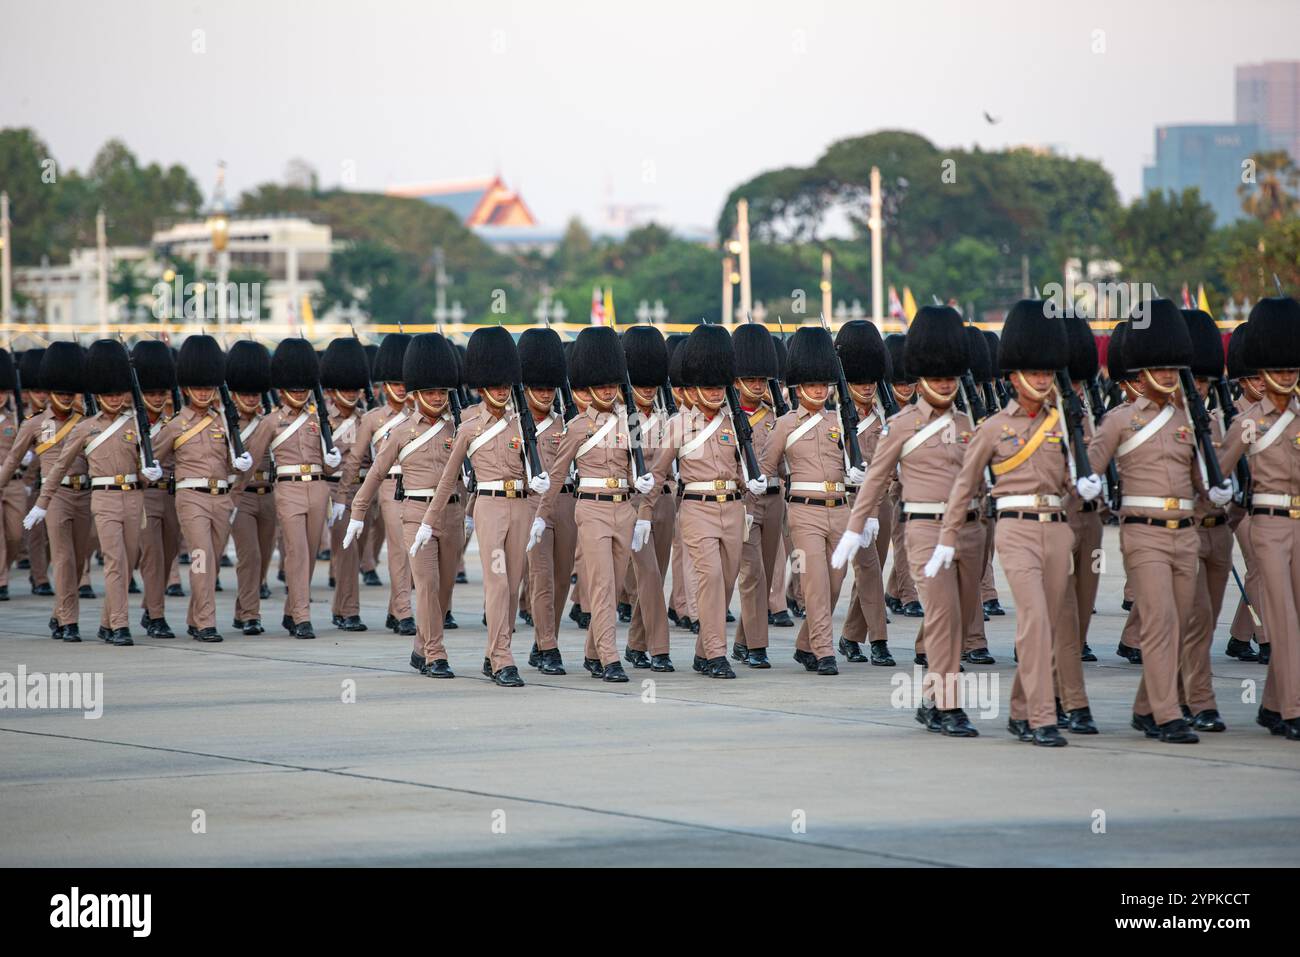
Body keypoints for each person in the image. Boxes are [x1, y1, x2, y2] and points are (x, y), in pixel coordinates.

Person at [1082, 299, 1232, 744]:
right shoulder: (1120, 420)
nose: (1168, 375)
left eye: (1174, 368)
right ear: (1142, 369)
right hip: (1142, 532)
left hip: (1186, 531)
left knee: (1186, 618)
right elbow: (1089, 468)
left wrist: (1218, 489)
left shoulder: (1192, 421)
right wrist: (1089, 485)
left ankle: (1147, 707)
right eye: (1159, 367)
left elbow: (1199, 478)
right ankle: (1168, 714)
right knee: (1162, 620)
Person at [930, 300, 1076, 745]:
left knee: (1048, 622)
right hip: (1014, 526)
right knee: (1032, 617)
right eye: (1033, 373)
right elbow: (964, 485)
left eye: (1047, 373)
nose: (1042, 380)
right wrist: (947, 537)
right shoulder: (992, 428)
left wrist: (1090, 489)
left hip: (1058, 528)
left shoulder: (1066, 424)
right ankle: (1040, 715)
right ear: (1013, 377)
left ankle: (1018, 709)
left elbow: (1073, 481)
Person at [833, 306, 983, 736]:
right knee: (941, 616)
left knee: (961, 619)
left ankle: (934, 702)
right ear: (920, 376)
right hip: (923, 529)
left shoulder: (970, 424)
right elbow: (874, 480)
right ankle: (950, 706)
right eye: (937, 377)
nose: (944, 384)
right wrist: (853, 529)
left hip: (968, 530)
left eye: (950, 377)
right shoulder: (899, 426)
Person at [411, 326, 550, 688]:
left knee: (514, 582)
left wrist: (539, 501)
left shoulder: (524, 423)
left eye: (507, 385)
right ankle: (503, 657)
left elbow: (536, 472)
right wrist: (428, 521)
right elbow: (449, 477)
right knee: (498, 585)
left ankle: (493, 655)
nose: (503, 390)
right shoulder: (470, 426)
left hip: (520, 508)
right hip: (488, 507)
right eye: (497, 385)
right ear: (482, 385)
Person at [530, 326, 656, 681]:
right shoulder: (577, 427)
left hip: (623, 509)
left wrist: (642, 485)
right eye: (600, 385)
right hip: (592, 508)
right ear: (588, 386)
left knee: (614, 587)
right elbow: (557, 475)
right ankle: (610, 659)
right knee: (600, 585)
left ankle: (592, 652)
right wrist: (542, 516)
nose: (607, 391)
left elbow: (638, 467)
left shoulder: (630, 422)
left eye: (611, 385)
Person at [25, 340, 163, 646]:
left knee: (126, 563)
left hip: (133, 499)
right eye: (108, 394)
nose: (114, 399)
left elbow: (144, 465)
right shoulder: (85, 427)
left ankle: (105, 623)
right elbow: (60, 467)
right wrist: (42, 503)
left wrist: (151, 473)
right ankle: (120, 625)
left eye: (117, 393)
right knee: (114, 560)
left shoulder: (136, 425)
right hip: (103, 497)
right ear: (98, 394)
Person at [649, 324, 766, 678]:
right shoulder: (679, 424)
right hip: (697, 508)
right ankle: (716, 654)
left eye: (719, 387)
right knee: (711, 578)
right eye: (709, 387)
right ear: (696, 387)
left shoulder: (736, 425)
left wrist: (754, 482)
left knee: (726, 581)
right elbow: (657, 472)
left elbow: (744, 468)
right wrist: (642, 514)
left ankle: (703, 652)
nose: (715, 393)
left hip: (733, 509)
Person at [344, 333, 463, 677]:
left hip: (451, 513)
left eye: (442, 391)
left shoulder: (460, 427)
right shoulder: (400, 432)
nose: (437, 397)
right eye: (430, 392)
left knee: (442, 590)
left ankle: (419, 647)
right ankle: (435, 653)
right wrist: (358, 512)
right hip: (414, 514)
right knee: (424, 585)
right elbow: (376, 473)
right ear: (416, 394)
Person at [1216, 297, 1300, 740]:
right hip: (1265, 522)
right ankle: (1292, 708)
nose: (1286, 376)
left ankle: (1270, 705)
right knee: (1282, 617)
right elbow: (1217, 474)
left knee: (1297, 617)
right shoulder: (1247, 422)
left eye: (1292, 368)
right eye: (1279, 369)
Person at [755, 326, 853, 675]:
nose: (819, 391)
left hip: (840, 509)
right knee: (814, 582)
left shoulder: (840, 421)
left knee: (835, 582)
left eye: (823, 385)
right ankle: (825, 651)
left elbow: (857, 462)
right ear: (799, 387)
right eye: (813, 385)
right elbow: (766, 466)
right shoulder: (784, 424)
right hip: (804, 511)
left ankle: (805, 644)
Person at [152, 335, 254, 642]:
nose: (204, 392)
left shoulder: (224, 421)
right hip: (190, 497)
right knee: (201, 558)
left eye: (208, 387)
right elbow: (151, 459)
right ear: (185, 388)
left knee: (211, 563)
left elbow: (232, 462)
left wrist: (241, 461)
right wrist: (150, 469)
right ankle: (206, 622)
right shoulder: (175, 424)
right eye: (198, 387)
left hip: (221, 498)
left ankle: (195, 619)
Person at [241, 340, 341, 639]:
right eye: (293, 389)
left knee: (309, 554)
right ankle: (302, 615)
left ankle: (290, 610)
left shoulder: (319, 420)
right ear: (282, 389)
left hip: (319, 488)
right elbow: (252, 460)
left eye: (302, 389)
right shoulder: (272, 421)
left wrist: (333, 461)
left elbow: (330, 464)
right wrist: (233, 498)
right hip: (287, 488)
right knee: (296, 552)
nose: (299, 393)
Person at [0, 343, 93, 639]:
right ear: (50, 391)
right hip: (53, 497)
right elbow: (12, 459)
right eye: (61, 392)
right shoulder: (35, 424)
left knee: (78, 561)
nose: (66, 397)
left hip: (85, 495)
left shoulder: (88, 423)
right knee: (64, 559)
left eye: (70, 392)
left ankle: (59, 612)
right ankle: (69, 621)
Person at [340, 334, 416, 639]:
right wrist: (345, 498)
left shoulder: (420, 416)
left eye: (403, 381)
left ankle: (394, 609)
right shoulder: (373, 419)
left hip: (416, 486)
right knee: (400, 547)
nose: (400, 387)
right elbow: (356, 460)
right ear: (384, 386)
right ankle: (403, 611)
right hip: (386, 485)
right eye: (394, 382)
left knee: (411, 550)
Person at [1178, 308, 1232, 732]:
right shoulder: (1172, 425)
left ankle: (1171, 694)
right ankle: (1201, 701)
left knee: (1208, 621)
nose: (1197, 388)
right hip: (1187, 530)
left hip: (1220, 532)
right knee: (1195, 619)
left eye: (1202, 380)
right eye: (1191, 380)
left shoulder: (1216, 420)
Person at [833, 320, 895, 666]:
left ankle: (850, 637)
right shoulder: (835, 420)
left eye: (871, 380)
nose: (868, 387)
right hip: (850, 501)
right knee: (870, 570)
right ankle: (880, 641)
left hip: (881, 502)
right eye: (859, 381)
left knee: (873, 570)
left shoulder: (886, 418)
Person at [517, 327, 578, 676]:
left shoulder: (568, 424)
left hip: (565, 504)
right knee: (540, 577)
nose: (543, 393)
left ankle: (542, 640)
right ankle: (550, 647)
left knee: (560, 578)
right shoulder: (513, 425)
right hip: (530, 504)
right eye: (536, 387)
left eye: (547, 387)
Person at [1051, 313, 1101, 730]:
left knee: (1081, 618)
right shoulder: (1042, 420)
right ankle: (1070, 701)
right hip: (1055, 519)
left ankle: (1045, 693)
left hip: (1092, 521)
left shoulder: (1092, 413)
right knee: (1062, 616)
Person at [727, 323, 784, 669]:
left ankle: (742, 641)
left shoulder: (776, 416)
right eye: (752, 379)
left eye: (762, 380)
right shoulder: (728, 419)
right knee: (751, 574)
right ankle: (758, 647)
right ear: (737, 381)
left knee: (766, 569)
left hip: (774, 499)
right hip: (743, 501)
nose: (759, 385)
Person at [620, 325, 675, 671]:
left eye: (651, 384)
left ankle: (636, 644)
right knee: (650, 578)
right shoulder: (619, 420)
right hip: (634, 505)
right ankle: (659, 649)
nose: (648, 390)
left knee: (654, 578)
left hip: (665, 504)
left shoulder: (670, 418)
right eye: (640, 384)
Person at [224, 341, 276, 636]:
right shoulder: (224, 423)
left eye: (255, 393)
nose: (251, 399)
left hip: (267, 493)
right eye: (245, 394)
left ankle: (242, 609)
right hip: (240, 495)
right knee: (250, 556)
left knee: (264, 558)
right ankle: (251, 615)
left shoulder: (268, 421)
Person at [130, 340, 181, 640]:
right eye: (151, 393)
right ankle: (157, 616)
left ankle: (151, 606)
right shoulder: (130, 424)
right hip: (144, 495)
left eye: (161, 393)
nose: (158, 398)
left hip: (171, 493)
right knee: (151, 556)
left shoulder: (175, 422)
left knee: (169, 553)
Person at [320, 337, 372, 632]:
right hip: (328, 489)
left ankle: (342, 609)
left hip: (358, 492)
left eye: (355, 388)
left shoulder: (368, 419)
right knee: (344, 552)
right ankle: (347, 610)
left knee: (352, 552)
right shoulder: (322, 420)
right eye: (346, 388)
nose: (351, 393)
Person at [1224, 323, 1268, 664]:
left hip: (1274, 505)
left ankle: (1240, 636)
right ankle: (1268, 639)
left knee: (1262, 569)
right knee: (1263, 566)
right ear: (1242, 380)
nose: (1263, 384)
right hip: (1243, 506)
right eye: (1255, 379)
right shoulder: (1231, 416)